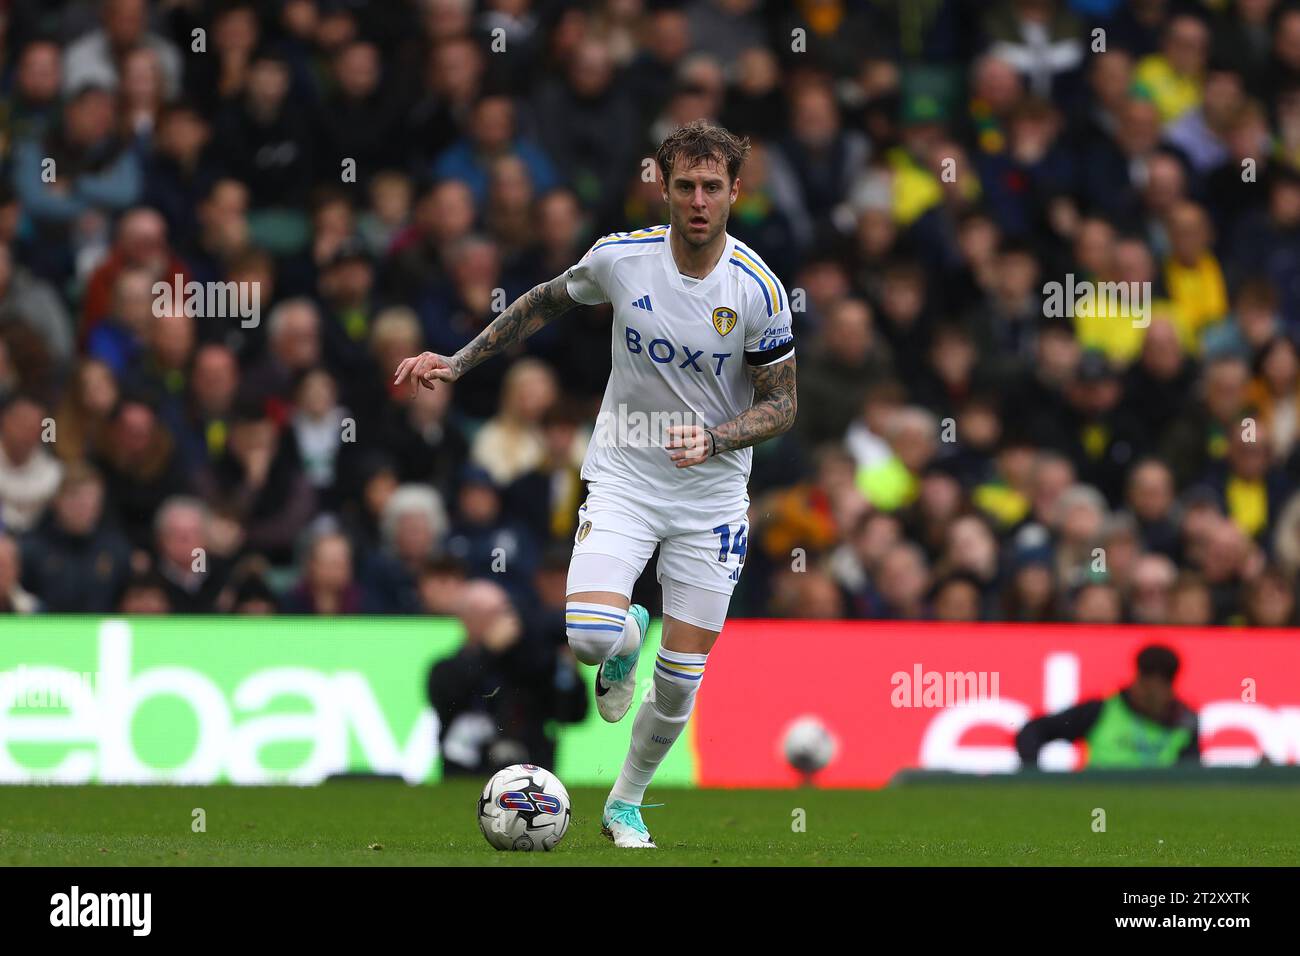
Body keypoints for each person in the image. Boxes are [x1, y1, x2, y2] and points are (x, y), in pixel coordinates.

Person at [396, 120, 796, 847]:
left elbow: (782, 403)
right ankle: (623, 638)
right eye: (685, 187)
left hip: (710, 502)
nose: (699, 201)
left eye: (713, 187)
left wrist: (715, 435)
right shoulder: (622, 261)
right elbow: (544, 301)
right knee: (585, 640)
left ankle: (625, 803)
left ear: (736, 191)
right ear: (665, 189)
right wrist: (458, 361)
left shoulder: (759, 291)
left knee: (679, 681)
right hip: (624, 477)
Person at [1016, 644, 1200, 769]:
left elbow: (1190, 775)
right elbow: (1034, 730)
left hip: (1155, 803)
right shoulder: (1102, 710)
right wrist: (1032, 770)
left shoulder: (1185, 723)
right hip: (1097, 800)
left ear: (1169, 690)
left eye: (1153, 691)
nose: (1144, 695)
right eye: (1143, 685)